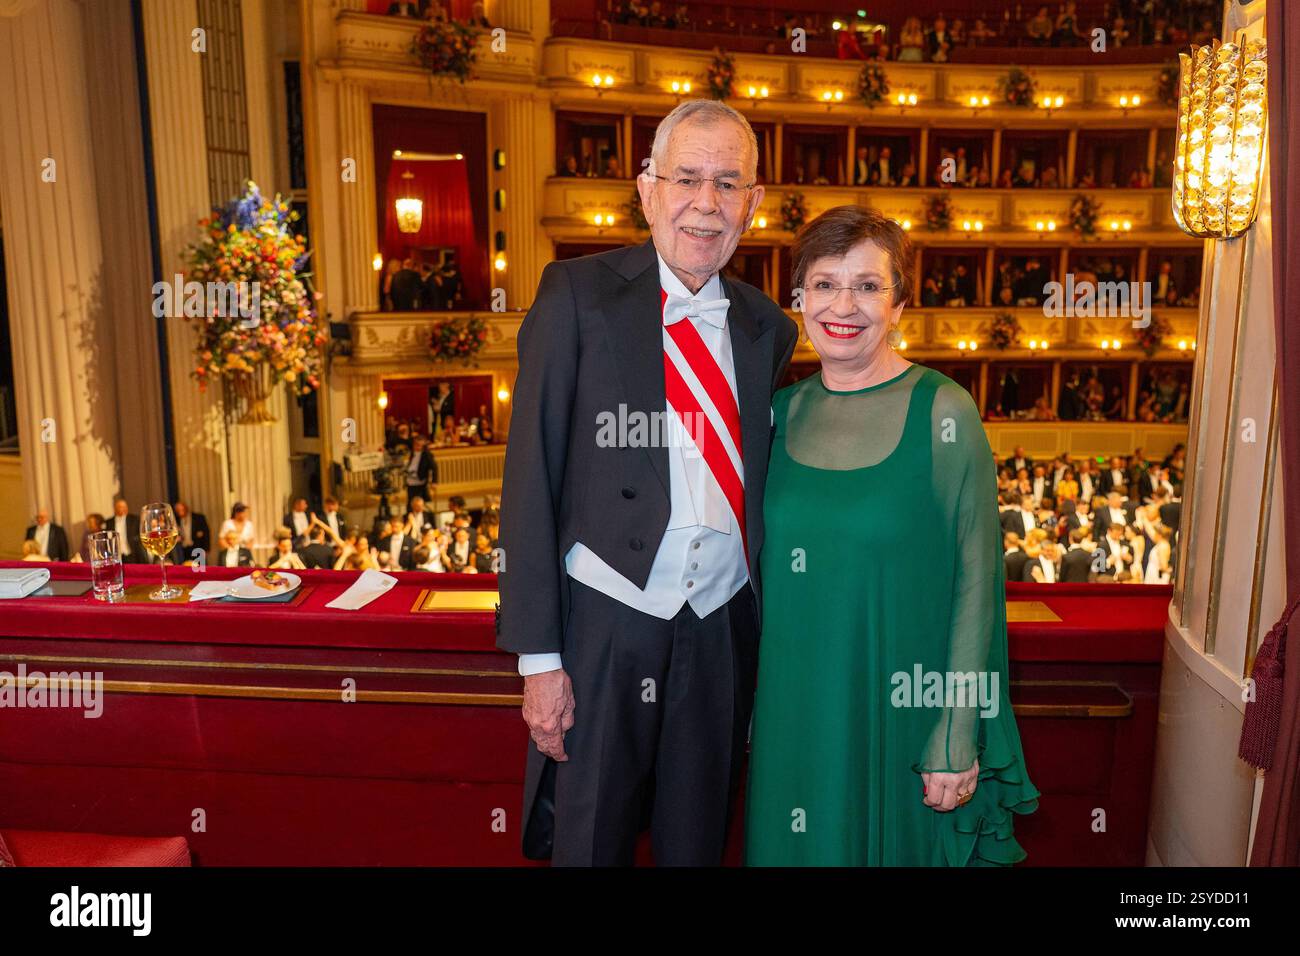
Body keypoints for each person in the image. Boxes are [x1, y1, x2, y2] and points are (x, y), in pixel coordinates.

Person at [496, 99, 799, 866]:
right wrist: (540, 661)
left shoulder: (770, 328)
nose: (706, 203)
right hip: (606, 622)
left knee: (697, 844)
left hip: (722, 627)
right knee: (589, 838)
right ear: (646, 189)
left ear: (754, 204)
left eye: (728, 184)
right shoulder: (575, 294)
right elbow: (528, 479)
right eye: (686, 178)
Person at [746, 205, 1037, 865]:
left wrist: (956, 732)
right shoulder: (777, 414)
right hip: (794, 714)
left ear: (900, 304)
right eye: (824, 284)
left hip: (902, 716)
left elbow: (976, 584)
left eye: (868, 286)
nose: (842, 304)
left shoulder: (944, 411)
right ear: (800, 298)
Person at [106, 496, 143, 563]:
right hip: (116, 555)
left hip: (131, 554)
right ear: (115, 508)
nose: (122, 509)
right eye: (120, 507)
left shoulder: (134, 519)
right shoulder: (109, 522)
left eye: (124, 507)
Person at [172, 500, 210, 564]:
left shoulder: (198, 518)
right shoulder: (176, 520)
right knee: (186, 570)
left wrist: (206, 549)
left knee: (200, 569)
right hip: (184, 551)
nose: (180, 512)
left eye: (182, 509)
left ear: (186, 508)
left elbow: (206, 534)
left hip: (198, 548)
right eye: (178, 510)